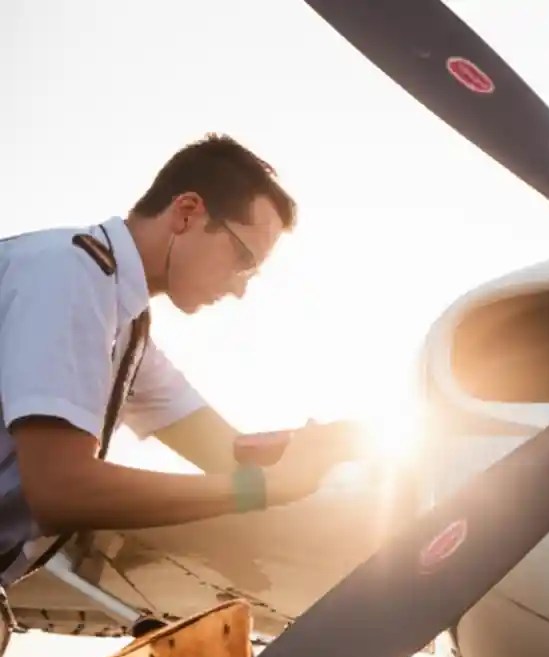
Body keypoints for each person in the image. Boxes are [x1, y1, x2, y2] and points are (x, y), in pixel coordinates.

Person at [0, 133, 363, 608]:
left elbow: (226, 453)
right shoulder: (69, 273)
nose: (239, 289)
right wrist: (257, 489)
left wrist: (328, 447)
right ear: (187, 213)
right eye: (241, 259)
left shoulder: (124, 323)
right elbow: (59, 488)